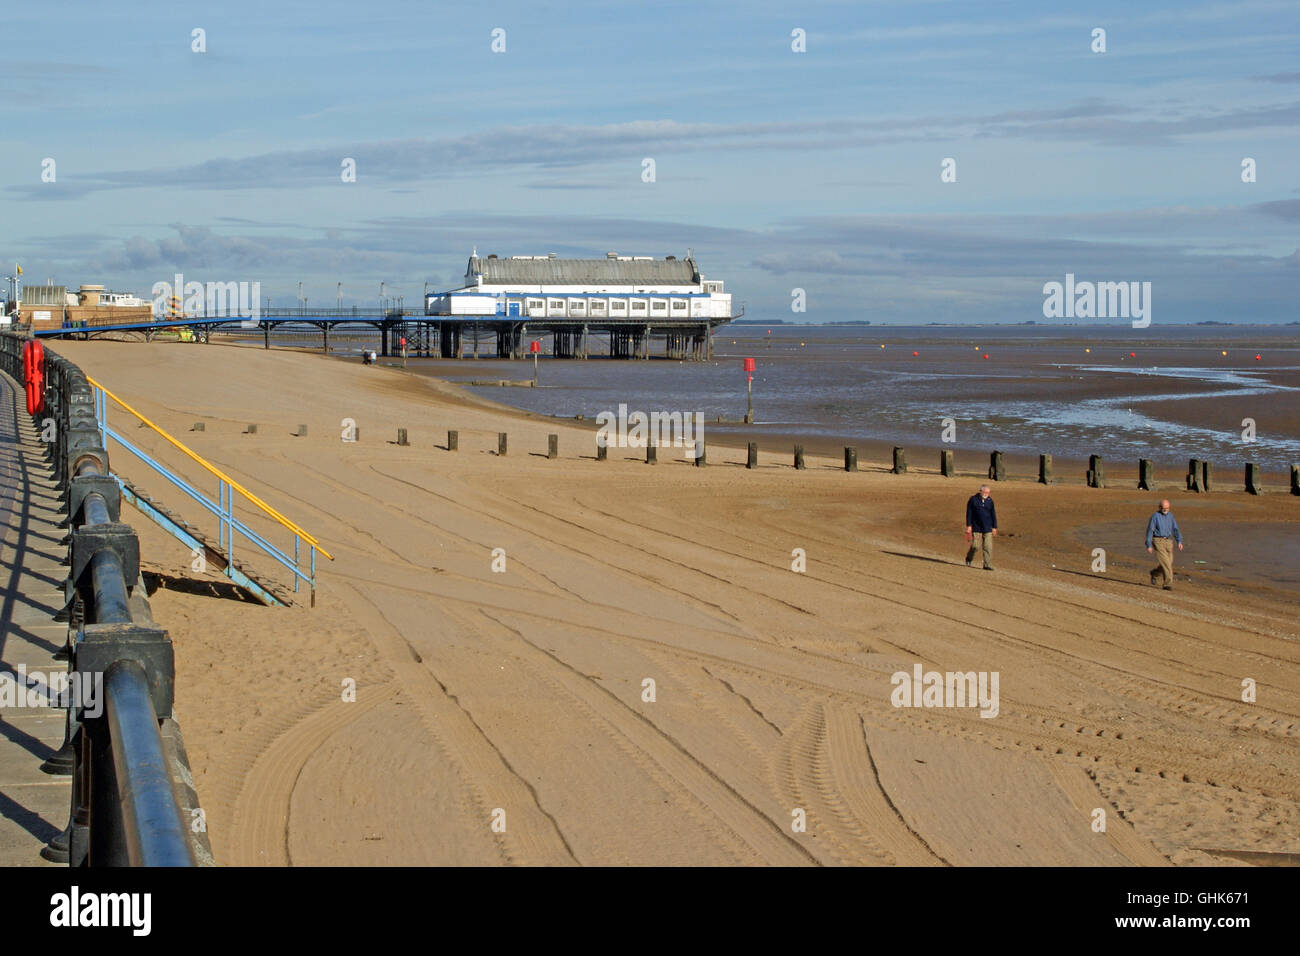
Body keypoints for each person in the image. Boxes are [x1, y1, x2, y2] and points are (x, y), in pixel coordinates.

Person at [1145, 499, 1184, 590]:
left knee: (1168, 563)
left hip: (1168, 541)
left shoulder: (1171, 516)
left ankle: (1154, 573)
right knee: (1166, 564)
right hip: (1158, 541)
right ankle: (1167, 584)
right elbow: (1150, 530)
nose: (1166, 510)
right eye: (1164, 508)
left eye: (1167, 508)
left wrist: (1179, 541)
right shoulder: (1155, 516)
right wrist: (1149, 545)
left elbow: (1175, 529)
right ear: (1160, 507)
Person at [965, 484, 997, 570]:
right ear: (981, 491)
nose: (986, 494)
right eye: (985, 492)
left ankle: (987, 565)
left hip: (987, 527)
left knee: (988, 547)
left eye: (988, 492)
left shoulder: (990, 501)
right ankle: (969, 558)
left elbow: (993, 514)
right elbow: (969, 513)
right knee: (975, 546)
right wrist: (969, 526)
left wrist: (994, 527)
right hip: (976, 526)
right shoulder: (973, 500)